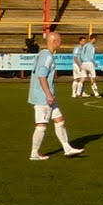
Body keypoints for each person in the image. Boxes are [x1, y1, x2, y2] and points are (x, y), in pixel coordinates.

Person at [27, 30, 84, 161]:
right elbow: (42, 76)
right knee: (41, 125)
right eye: (59, 40)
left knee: (60, 120)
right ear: (53, 41)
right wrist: (48, 94)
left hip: (46, 95)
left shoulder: (42, 54)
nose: (61, 42)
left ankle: (67, 148)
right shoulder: (47, 56)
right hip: (43, 97)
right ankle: (34, 153)